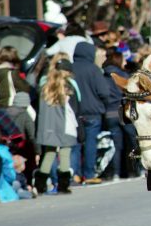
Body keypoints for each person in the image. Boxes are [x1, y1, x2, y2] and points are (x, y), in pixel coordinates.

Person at [35, 55, 80, 195]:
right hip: (66, 124)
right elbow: (77, 104)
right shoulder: (68, 86)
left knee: (49, 153)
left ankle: (40, 185)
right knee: (65, 154)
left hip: (48, 125)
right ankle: (63, 185)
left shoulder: (45, 86)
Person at [71, 42, 112, 184]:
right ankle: (88, 174)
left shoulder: (70, 69)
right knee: (90, 143)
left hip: (74, 113)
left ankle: (74, 174)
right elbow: (104, 92)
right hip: (93, 113)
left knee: (75, 144)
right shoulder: (93, 70)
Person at [102, 48, 138, 180]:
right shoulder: (123, 76)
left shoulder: (103, 75)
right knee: (133, 141)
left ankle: (115, 173)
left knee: (116, 145)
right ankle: (135, 170)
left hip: (109, 113)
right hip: (123, 111)